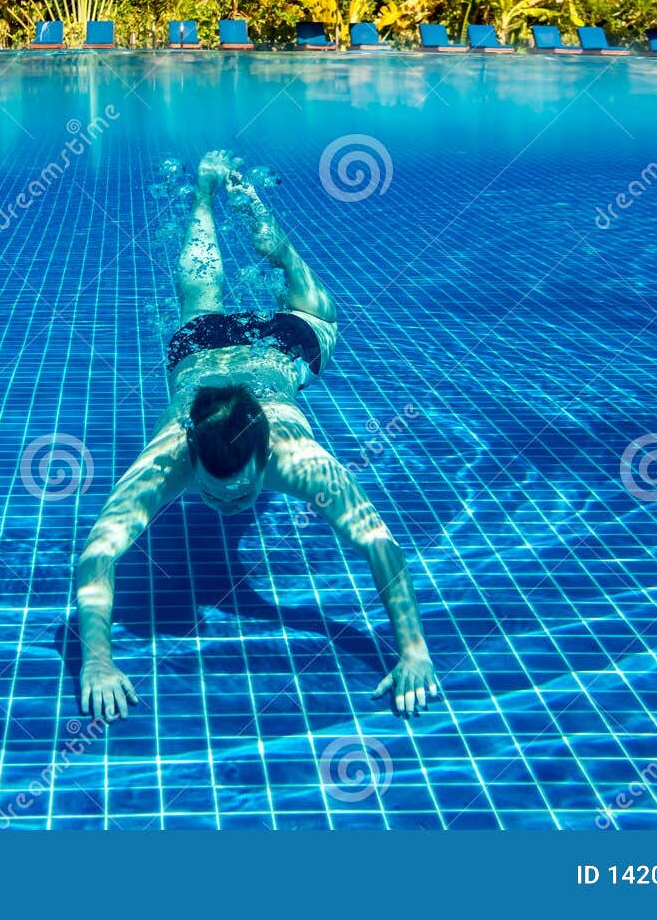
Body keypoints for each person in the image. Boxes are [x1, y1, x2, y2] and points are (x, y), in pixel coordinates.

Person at [75, 151, 437, 720]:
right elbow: (98, 553)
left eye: (242, 494)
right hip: (207, 356)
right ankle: (203, 194)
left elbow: (378, 543)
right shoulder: (170, 455)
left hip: (281, 351)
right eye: (218, 494)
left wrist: (413, 650)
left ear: (267, 454)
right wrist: (95, 659)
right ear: (191, 451)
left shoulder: (298, 459)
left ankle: (248, 209)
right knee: (197, 302)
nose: (228, 505)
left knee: (318, 313)